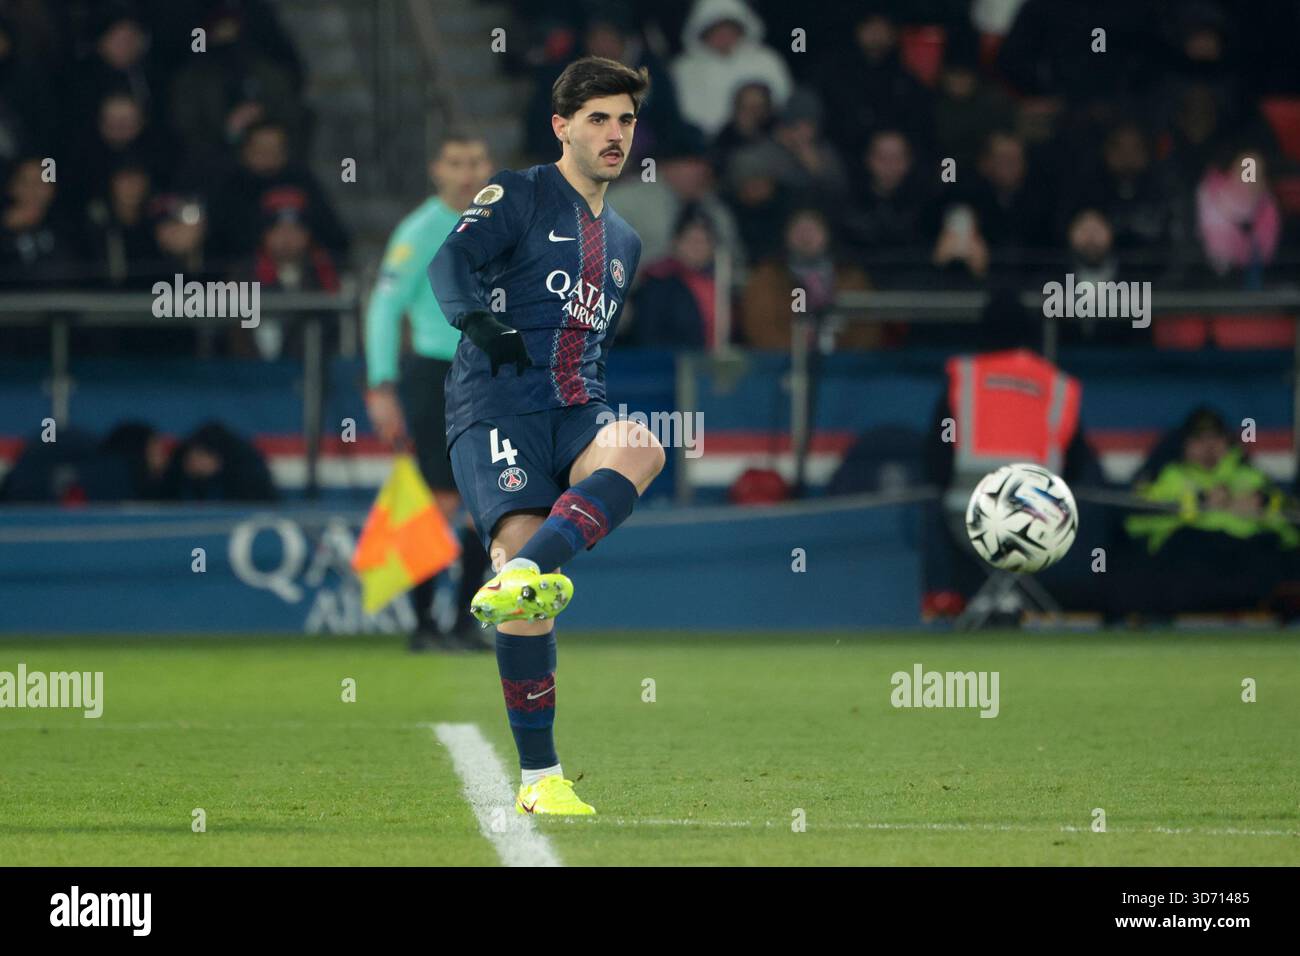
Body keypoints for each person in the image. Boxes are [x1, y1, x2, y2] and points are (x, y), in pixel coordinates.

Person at [428, 56, 665, 816]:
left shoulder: (625, 242)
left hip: (575, 407)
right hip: (494, 408)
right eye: (598, 118)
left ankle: (522, 571)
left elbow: (593, 343)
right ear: (562, 127)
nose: (615, 133)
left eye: (625, 119)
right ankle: (541, 782)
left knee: (644, 446)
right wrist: (476, 319)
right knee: (529, 594)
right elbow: (450, 259)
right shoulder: (521, 192)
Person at [364, 131, 495, 653]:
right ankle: (423, 624)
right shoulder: (420, 230)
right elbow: (384, 308)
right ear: (437, 170)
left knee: (483, 504)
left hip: (491, 377)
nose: (467, 173)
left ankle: (463, 622)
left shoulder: (503, 224)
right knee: (438, 501)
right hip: (436, 377)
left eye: (476, 161)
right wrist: (380, 385)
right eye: (456, 163)